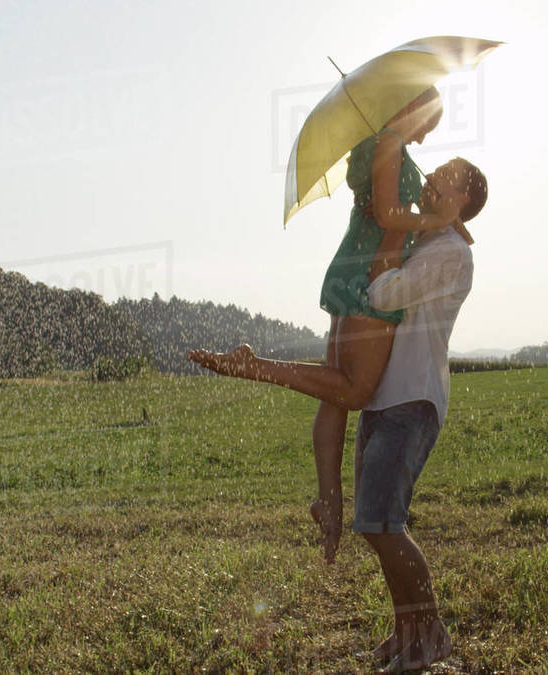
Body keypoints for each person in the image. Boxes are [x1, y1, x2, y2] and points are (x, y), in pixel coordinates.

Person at [189, 157, 487, 670]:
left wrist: (392, 241)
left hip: (411, 400)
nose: (432, 181)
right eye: (435, 172)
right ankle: (406, 629)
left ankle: (430, 632)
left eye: (445, 180)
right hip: (383, 399)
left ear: (463, 201)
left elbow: (383, 292)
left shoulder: (451, 253)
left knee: (382, 524)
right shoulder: (426, 240)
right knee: (376, 521)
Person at [189, 86, 459, 565]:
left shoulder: (373, 141)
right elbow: (387, 212)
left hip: (350, 265)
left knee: (335, 394)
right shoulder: (391, 142)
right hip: (364, 280)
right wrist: (430, 217)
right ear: (413, 106)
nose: (421, 140)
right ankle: (258, 367)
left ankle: (328, 500)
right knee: (353, 391)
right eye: (427, 126)